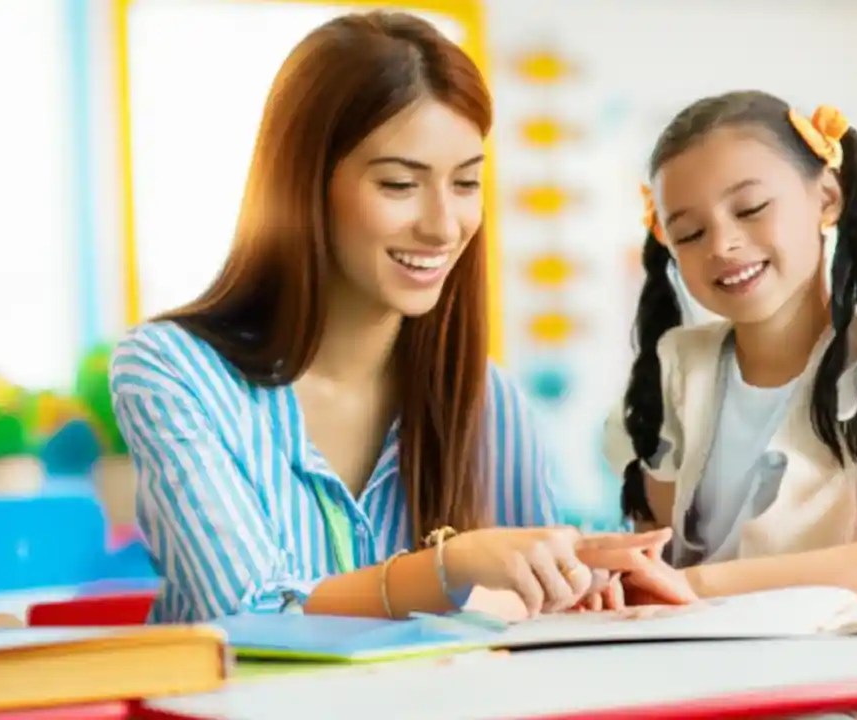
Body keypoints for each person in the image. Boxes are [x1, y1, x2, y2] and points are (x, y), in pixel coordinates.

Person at [111, 11, 686, 625]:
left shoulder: (488, 402)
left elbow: (539, 616)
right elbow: (246, 613)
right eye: (399, 185)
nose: (443, 226)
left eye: (465, 184)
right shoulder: (173, 373)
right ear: (302, 185)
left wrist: (585, 584)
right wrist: (451, 568)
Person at [605, 91, 857, 603]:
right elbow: (652, 561)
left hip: (844, 671)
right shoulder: (678, 366)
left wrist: (695, 585)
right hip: (697, 667)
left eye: (750, 209)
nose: (722, 245)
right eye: (690, 232)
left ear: (827, 198)